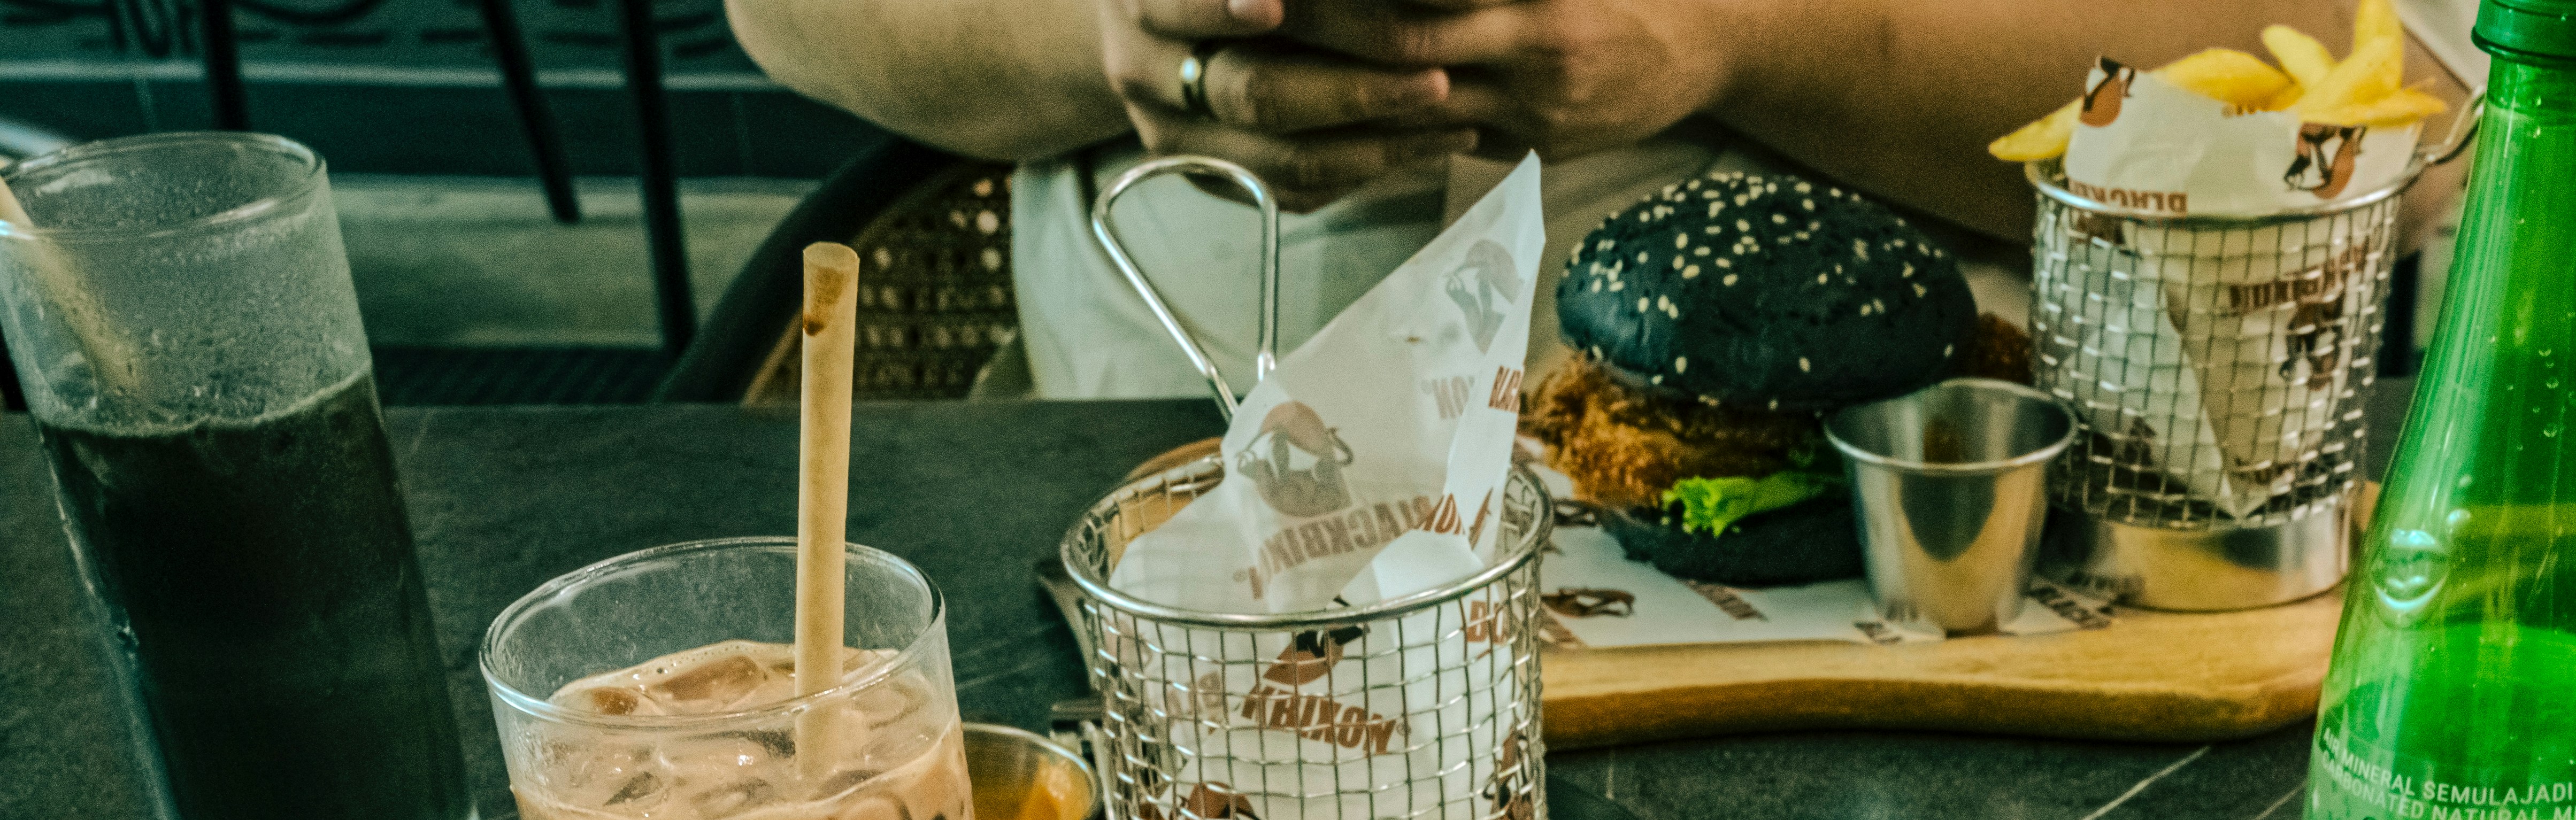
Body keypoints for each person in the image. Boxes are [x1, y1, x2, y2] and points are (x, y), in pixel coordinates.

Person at [725, 0, 2473, 395]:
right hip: (1160, 527)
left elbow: (2386, 106)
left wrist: (1748, 36)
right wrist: (1113, 30)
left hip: (1937, 575)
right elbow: (784, 14)